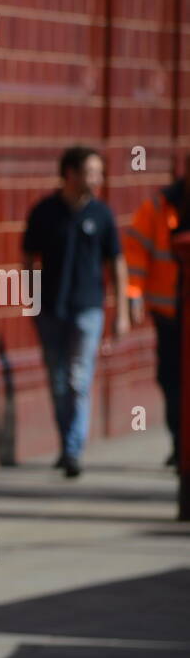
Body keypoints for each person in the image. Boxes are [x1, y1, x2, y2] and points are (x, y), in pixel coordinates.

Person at [23, 146, 133, 478]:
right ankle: (66, 443)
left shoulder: (102, 214)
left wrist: (122, 311)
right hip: (51, 308)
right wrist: (30, 299)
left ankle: (73, 451)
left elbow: (117, 262)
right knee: (58, 380)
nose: (97, 179)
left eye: (99, 172)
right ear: (70, 174)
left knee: (78, 378)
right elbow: (28, 258)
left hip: (88, 309)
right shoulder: (44, 212)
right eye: (91, 172)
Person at [124, 154, 188, 468]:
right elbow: (135, 251)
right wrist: (133, 294)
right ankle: (180, 441)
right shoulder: (160, 206)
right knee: (171, 378)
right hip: (169, 312)